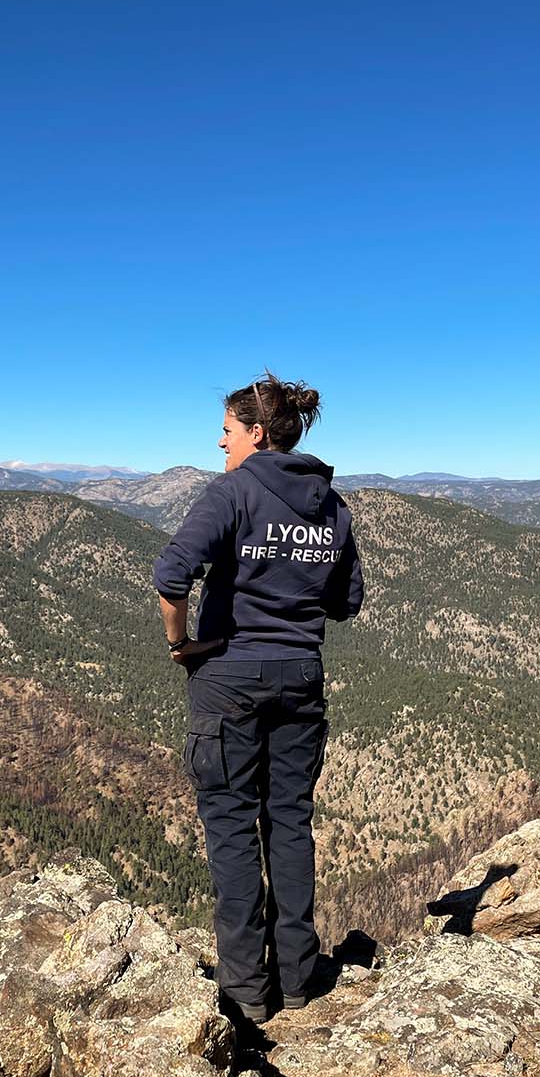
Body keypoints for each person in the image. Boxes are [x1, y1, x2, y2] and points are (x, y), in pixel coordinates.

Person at [153, 373, 363, 1024]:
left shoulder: (232, 492)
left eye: (226, 431)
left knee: (233, 830)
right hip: (301, 678)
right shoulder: (331, 506)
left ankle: (245, 989)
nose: (220, 444)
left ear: (257, 432)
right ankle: (298, 978)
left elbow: (169, 575)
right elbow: (345, 602)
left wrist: (180, 645)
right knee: (291, 824)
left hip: (230, 681)